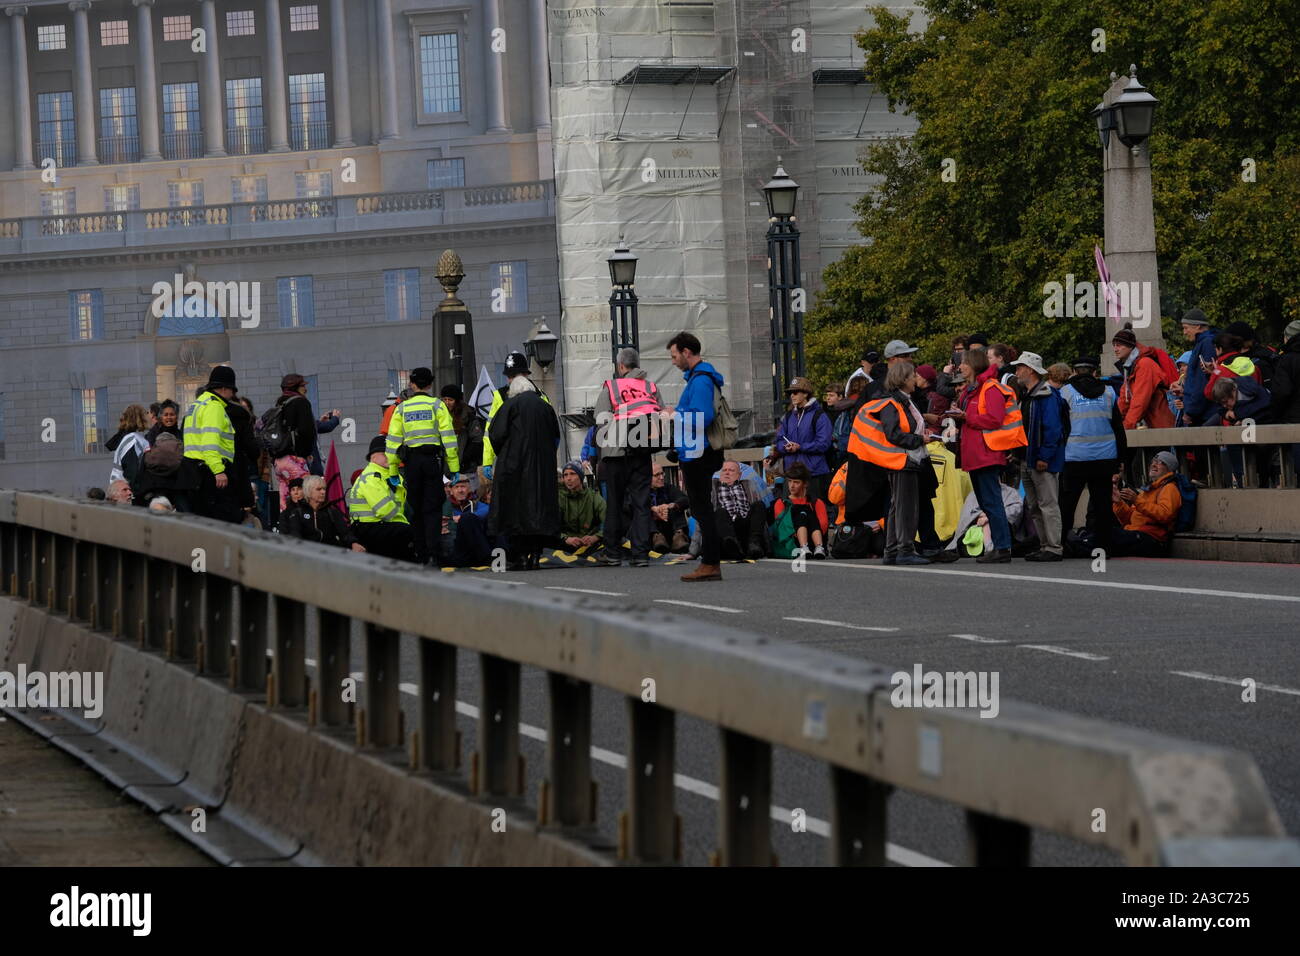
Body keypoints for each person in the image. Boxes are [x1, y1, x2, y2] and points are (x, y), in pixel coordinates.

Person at [946, 349, 1025, 563]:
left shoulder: (989, 388)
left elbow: (994, 418)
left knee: (991, 501)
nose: (959, 367)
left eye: (963, 363)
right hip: (976, 454)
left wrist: (965, 416)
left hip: (986, 453)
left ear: (973, 364)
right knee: (986, 501)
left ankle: (1002, 547)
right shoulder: (973, 389)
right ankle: (1000, 547)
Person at [851, 361, 930, 565]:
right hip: (902, 459)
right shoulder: (894, 403)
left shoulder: (896, 401)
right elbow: (893, 434)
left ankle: (893, 550)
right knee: (906, 507)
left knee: (898, 506)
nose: (915, 379)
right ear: (903, 379)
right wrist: (920, 439)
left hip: (901, 459)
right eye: (913, 375)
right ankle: (904, 549)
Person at [668, 331, 727, 582]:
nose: (673, 361)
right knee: (702, 508)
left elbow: (703, 417)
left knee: (703, 510)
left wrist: (674, 414)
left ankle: (711, 563)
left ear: (686, 352)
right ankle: (710, 561)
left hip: (698, 453)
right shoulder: (698, 377)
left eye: (674, 355)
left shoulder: (700, 380)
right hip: (695, 451)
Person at [386, 367, 460, 565]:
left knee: (416, 509)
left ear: (412, 384)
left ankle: (420, 554)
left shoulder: (402, 408)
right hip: (432, 462)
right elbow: (449, 440)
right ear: (429, 384)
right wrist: (454, 467)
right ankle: (434, 555)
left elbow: (392, 443)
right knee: (433, 509)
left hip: (412, 463)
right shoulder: (437, 406)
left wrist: (393, 470)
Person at [487, 373, 561, 570]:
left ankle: (520, 556)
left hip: (515, 467)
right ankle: (536, 555)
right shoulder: (545, 406)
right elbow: (556, 436)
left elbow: (495, 434)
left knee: (516, 513)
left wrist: (503, 456)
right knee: (539, 512)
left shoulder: (509, 406)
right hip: (542, 468)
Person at [594, 347, 659, 567]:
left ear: (621, 366)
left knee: (614, 502)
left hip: (616, 453)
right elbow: (658, 418)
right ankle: (641, 554)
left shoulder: (611, 387)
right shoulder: (650, 387)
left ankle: (612, 552)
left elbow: (601, 421)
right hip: (641, 453)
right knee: (641, 503)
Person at [1058, 356, 1125, 553]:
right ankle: (1103, 546)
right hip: (1105, 457)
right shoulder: (1109, 392)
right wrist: (1120, 459)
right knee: (1102, 505)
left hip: (1075, 457)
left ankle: (1061, 545)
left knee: (1067, 504)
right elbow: (1118, 429)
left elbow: (1061, 428)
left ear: (1074, 371)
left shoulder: (1065, 393)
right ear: (1095, 372)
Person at [1012, 351, 1066, 561]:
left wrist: (1044, 456)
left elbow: (1053, 429)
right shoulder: (1032, 395)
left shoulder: (1045, 395)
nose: (1017, 372)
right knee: (1035, 505)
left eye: (1019, 368)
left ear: (1030, 371)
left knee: (1047, 504)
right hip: (1029, 458)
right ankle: (1045, 544)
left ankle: (1053, 546)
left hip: (1040, 459)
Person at [182, 365, 244, 523]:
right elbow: (209, 443)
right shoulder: (214, 407)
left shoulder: (197, 404)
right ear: (224, 388)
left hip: (194, 470)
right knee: (222, 521)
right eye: (232, 390)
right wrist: (218, 471)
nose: (233, 394)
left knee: (202, 522)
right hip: (211, 472)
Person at [347, 436, 417, 561]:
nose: (390, 456)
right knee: (409, 533)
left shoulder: (393, 476)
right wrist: (407, 525)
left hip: (383, 525)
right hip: (366, 527)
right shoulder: (370, 477)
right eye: (385, 453)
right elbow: (386, 511)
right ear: (373, 457)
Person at [482, 351, 550, 475]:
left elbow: (551, 430)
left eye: (515, 376)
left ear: (525, 375)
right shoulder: (500, 396)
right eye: (510, 376)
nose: (511, 380)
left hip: (535, 457)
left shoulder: (541, 396)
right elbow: (490, 430)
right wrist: (487, 460)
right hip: (512, 459)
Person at [771, 377, 833, 500]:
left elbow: (824, 443)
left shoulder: (819, 415)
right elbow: (778, 440)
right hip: (791, 475)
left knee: (814, 513)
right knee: (788, 512)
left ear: (805, 394)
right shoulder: (789, 416)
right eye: (790, 393)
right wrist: (785, 446)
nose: (792, 396)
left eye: (795, 392)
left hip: (813, 474)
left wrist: (800, 447)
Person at [1110, 451, 1182, 557]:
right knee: (1100, 532)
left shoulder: (1169, 488)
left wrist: (1137, 500)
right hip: (1136, 532)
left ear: (1169, 469)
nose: (1154, 464)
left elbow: (1165, 515)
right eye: (1153, 461)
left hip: (1152, 538)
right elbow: (1131, 519)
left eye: (1160, 462)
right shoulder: (1149, 489)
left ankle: (1079, 547)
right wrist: (1119, 503)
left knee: (1106, 537)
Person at [1112, 326, 1175, 429]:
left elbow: (1140, 401)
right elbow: (1124, 401)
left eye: (1119, 345)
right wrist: (1113, 423)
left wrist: (1125, 427)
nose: (1115, 349)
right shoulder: (1129, 367)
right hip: (1153, 426)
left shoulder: (1145, 364)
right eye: (1114, 346)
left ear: (1130, 346)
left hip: (1163, 427)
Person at [703, 459, 767, 560]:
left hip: (744, 525)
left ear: (739, 475)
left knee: (759, 505)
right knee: (720, 512)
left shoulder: (748, 485)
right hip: (725, 529)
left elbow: (759, 518)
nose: (727, 473)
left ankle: (754, 544)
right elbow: (703, 517)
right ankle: (732, 546)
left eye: (731, 470)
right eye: (724, 470)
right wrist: (693, 552)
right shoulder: (712, 487)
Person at [279, 475, 364, 552]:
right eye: (318, 489)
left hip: (330, 556)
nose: (323, 492)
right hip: (308, 557)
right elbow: (295, 536)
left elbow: (345, 533)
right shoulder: (297, 513)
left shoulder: (331, 511)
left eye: (324, 489)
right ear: (308, 491)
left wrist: (354, 543)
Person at [130, 433, 202, 512]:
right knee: (185, 511)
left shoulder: (150, 451)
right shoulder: (180, 450)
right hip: (178, 488)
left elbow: (140, 474)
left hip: (154, 488)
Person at [440, 473, 500, 567]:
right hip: (456, 549)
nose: (460, 490)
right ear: (451, 491)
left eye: (463, 487)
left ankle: (497, 556)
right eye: (457, 487)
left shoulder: (476, 504)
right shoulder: (444, 506)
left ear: (469, 489)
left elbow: (489, 510)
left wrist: (464, 518)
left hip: (475, 550)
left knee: (469, 518)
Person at [772, 462, 830, 559]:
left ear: (805, 484)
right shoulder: (781, 502)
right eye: (790, 481)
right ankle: (804, 547)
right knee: (801, 514)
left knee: (806, 513)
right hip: (792, 542)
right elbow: (783, 528)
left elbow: (823, 526)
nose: (791, 486)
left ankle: (818, 547)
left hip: (814, 540)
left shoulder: (816, 502)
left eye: (796, 482)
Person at [1174, 308, 1218, 425]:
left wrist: (1191, 411)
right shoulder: (1201, 344)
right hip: (1202, 412)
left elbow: (1202, 381)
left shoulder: (1206, 344)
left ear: (1198, 326)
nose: (1184, 332)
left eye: (1186, 328)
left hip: (1204, 414)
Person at [1269, 319, 1300, 484]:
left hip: (1293, 423)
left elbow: (1282, 392)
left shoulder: (1287, 360)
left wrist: (1275, 415)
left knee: (1292, 473)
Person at [557, 461, 605, 552]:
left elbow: (609, 520)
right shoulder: (559, 498)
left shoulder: (593, 497)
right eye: (565, 475)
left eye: (572, 474)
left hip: (589, 542)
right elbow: (552, 526)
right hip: (566, 543)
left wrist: (596, 537)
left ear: (581, 477)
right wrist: (566, 538)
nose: (568, 478)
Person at [648, 462, 691, 553]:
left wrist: (671, 505)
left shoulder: (668, 488)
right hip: (651, 532)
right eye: (657, 475)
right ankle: (657, 537)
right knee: (643, 511)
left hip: (670, 529)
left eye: (662, 473)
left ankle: (679, 537)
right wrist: (653, 510)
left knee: (675, 506)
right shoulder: (641, 491)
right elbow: (629, 506)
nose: (662, 477)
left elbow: (685, 499)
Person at [441, 384, 484, 474]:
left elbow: (477, 439)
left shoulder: (468, 416)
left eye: (450, 400)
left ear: (457, 401)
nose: (447, 403)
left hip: (465, 465)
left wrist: (465, 458)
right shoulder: (439, 415)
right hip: (445, 463)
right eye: (444, 399)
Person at [109, 405, 151, 484]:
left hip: (121, 487)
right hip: (127, 489)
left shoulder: (130, 438)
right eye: (146, 413)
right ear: (140, 418)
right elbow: (131, 471)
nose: (148, 415)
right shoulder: (133, 440)